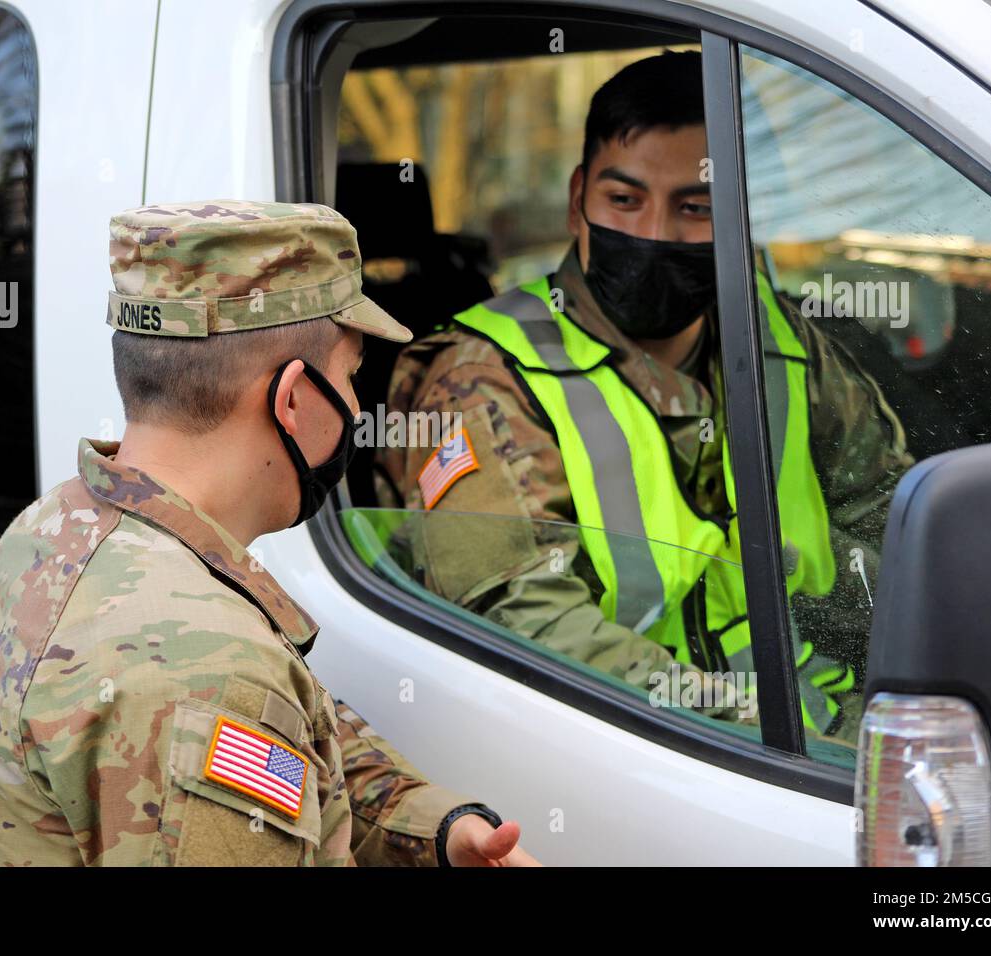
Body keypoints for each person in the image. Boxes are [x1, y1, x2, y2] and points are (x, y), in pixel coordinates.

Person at [0, 199, 536, 866]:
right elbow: (227, 714)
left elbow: (281, 745)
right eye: (350, 378)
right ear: (293, 398)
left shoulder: (53, 528)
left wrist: (436, 828)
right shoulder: (208, 663)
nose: (354, 406)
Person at [376, 52, 913, 740]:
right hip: (640, 745)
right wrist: (759, 724)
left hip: (829, 731)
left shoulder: (780, 339)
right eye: (624, 200)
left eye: (694, 208)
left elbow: (890, 525)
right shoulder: (485, 373)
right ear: (578, 202)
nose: (654, 235)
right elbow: (523, 619)